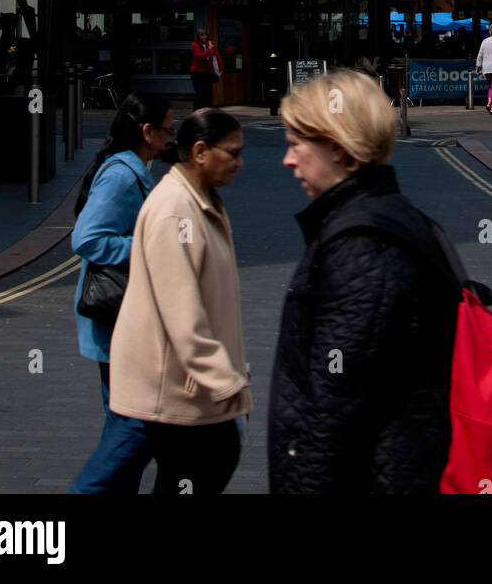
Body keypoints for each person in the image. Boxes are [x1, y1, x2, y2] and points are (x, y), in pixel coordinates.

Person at [269, 69, 463, 495]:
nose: (288, 160)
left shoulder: (359, 245)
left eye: (297, 145)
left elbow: (333, 412)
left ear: (338, 148)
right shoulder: (393, 217)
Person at [109, 109, 250, 496]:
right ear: (201, 151)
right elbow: (182, 313)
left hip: (189, 391)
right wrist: (228, 381)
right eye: (233, 152)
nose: (241, 162)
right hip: (175, 393)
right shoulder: (175, 211)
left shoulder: (202, 200)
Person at [70, 92, 175, 494]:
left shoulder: (135, 168)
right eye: (166, 130)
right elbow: (87, 238)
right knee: (128, 429)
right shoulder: (121, 174)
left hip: (124, 323)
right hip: (115, 320)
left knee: (127, 428)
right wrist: (148, 244)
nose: (170, 138)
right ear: (146, 132)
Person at [190, 28, 223, 107]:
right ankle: (197, 111)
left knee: (208, 94)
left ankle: (208, 112)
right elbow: (201, 57)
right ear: (198, 37)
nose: (204, 37)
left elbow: (217, 56)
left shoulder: (211, 43)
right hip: (197, 73)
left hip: (207, 73)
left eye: (205, 35)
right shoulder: (195, 45)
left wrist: (221, 69)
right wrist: (209, 49)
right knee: (200, 93)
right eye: (201, 35)